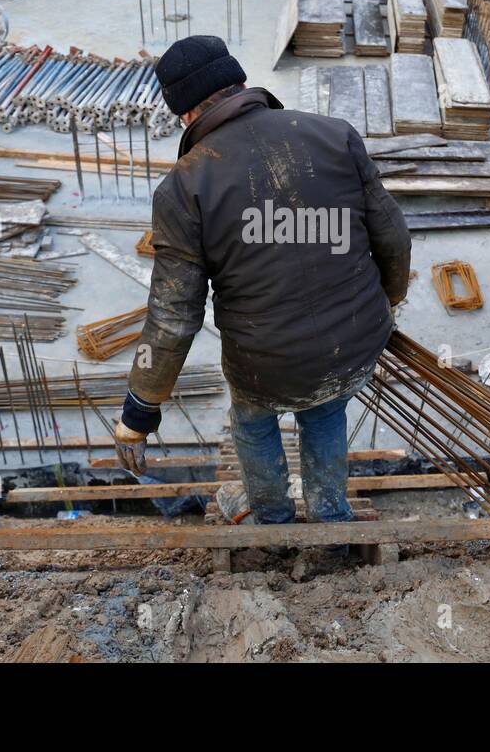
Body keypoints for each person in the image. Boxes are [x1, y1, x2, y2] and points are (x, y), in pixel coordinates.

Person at [112, 35, 411, 524]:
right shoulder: (335, 134)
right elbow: (394, 238)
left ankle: (273, 519)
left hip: (263, 366)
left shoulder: (184, 187)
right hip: (352, 346)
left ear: (184, 115)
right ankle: (330, 516)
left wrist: (139, 410)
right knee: (325, 409)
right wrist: (387, 305)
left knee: (253, 421)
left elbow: (172, 317)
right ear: (241, 83)